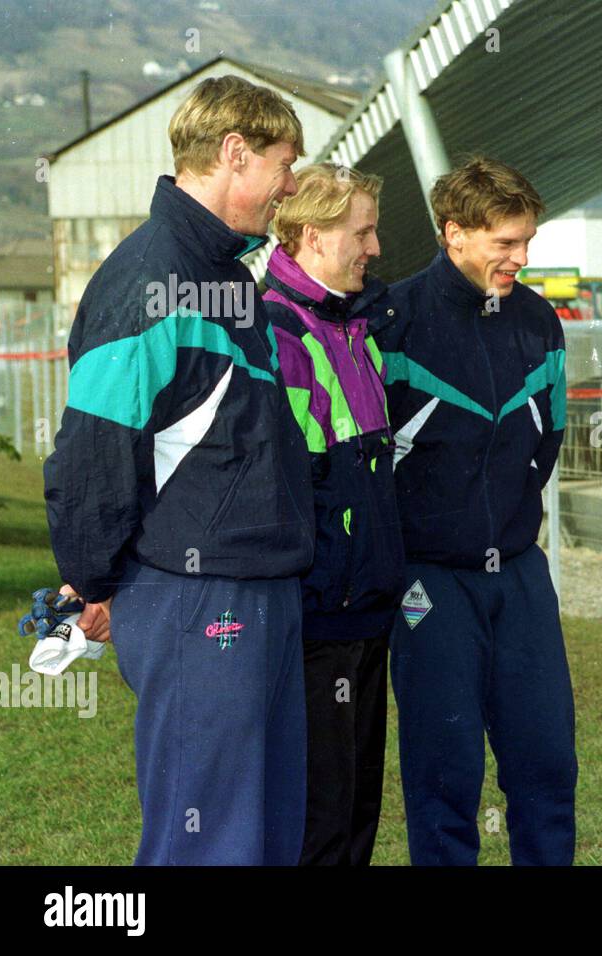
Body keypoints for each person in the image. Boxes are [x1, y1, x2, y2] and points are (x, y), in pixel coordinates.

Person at [43, 75, 314, 865]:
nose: (289, 187)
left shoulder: (230, 278)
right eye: (283, 164)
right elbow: (91, 455)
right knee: (211, 845)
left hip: (260, 584)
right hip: (199, 595)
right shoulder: (150, 280)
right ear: (235, 153)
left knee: (264, 837)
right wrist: (92, 582)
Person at [373, 156, 575, 866]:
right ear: (454, 233)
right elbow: (369, 462)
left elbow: (547, 438)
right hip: (430, 584)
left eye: (526, 243)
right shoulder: (391, 321)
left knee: (547, 767)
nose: (521, 259)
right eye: (505, 245)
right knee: (444, 776)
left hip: (519, 577)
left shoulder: (539, 321)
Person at [263, 162, 402, 866]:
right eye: (364, 231)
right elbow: (282, 485)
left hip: (365, 610)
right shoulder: (277, 335)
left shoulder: (356, 324)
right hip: (315, 620)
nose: (376, 248)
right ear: (310, 235)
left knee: (356, 816)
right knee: (319, 822)